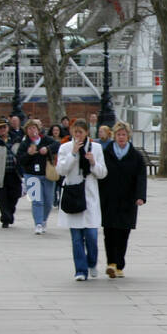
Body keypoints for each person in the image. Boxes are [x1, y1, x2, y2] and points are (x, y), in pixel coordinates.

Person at [56, 119, 108, 280]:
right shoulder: (65, 147)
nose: (77, 135)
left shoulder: (96, 148)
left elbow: (102, 172)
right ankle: (80, 269)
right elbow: (61, 170)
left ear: (87, 133)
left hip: (89, 193)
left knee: (92, 235)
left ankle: (92, 262)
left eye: (80, 132)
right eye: (75, 131)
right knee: (76, 237)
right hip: (73, 193)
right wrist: (72, 154)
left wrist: (92, 162)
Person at [97, 120, 147, 278]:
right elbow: (99, 174)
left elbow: (141, 177)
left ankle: (120, 264)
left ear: (128, 136)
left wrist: (140, 196)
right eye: (118, 134)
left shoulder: (136, 156)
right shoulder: (106, 153)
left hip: (128, 200)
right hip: (109, 198)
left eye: (124, 135)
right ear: (114, 136)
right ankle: (111, 262)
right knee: (109, 231)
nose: (121, 137)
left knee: (123, 232)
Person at [18, 119, 57, 234]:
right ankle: (38, 223)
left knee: (49, 201)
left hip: (47, 174)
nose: (32, 130)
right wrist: (28, 154)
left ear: (38, 129)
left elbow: (57, 145)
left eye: (34, 128)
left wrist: (47, 149)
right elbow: (20, 160)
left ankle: (44, 219)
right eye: (29, 128)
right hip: (31, 175)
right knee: (37, 201)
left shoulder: (46, 140)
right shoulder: (25, 144)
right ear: (26, 131)